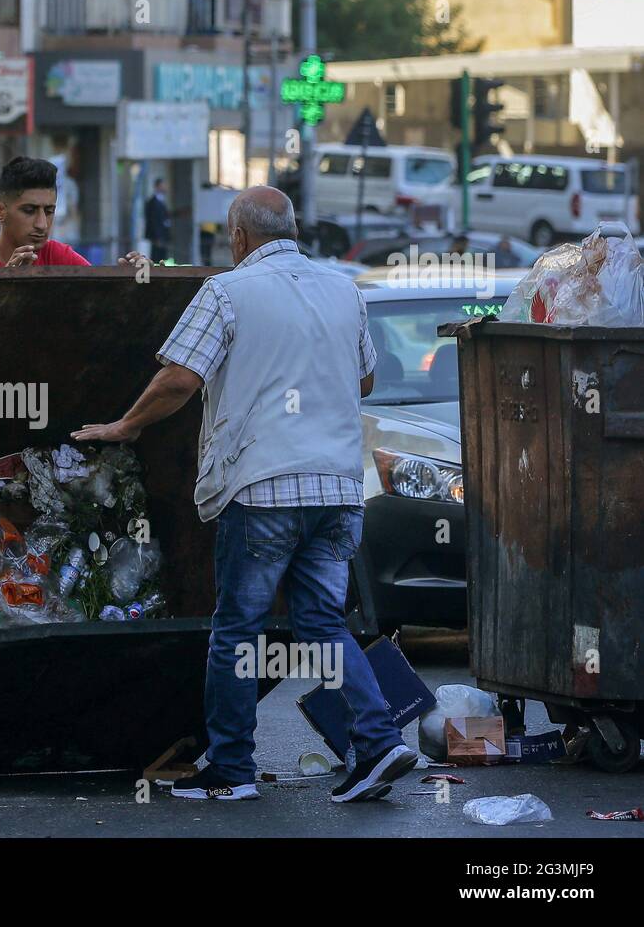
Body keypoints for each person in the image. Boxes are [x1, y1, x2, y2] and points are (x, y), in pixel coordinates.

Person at [72, 186, 416, 804]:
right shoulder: (343, 290)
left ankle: (231, 770)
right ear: (293, 228)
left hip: (263, 487)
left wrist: (126, 426)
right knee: (321, 624)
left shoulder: (227, 292)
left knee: (237, 633)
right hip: (337, 487)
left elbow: (180, 377)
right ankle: (381, 737)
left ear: (237, 236)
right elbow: (364, 377)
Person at [0, 156, 147, 268]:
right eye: (29, 210)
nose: (42, 224)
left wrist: (127, 287)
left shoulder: (61, 258)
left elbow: (101, 303)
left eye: (49, 211)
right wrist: (5, 285)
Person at [145, 178, 172, 263]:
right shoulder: (152, 202)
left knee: (163, 258)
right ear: (157, 187)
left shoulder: (161, 200)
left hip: (163, 236)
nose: (164, 187)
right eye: (162, 185)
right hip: (157, 237)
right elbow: (153, 221)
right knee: (157, 257)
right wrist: (157, 237)